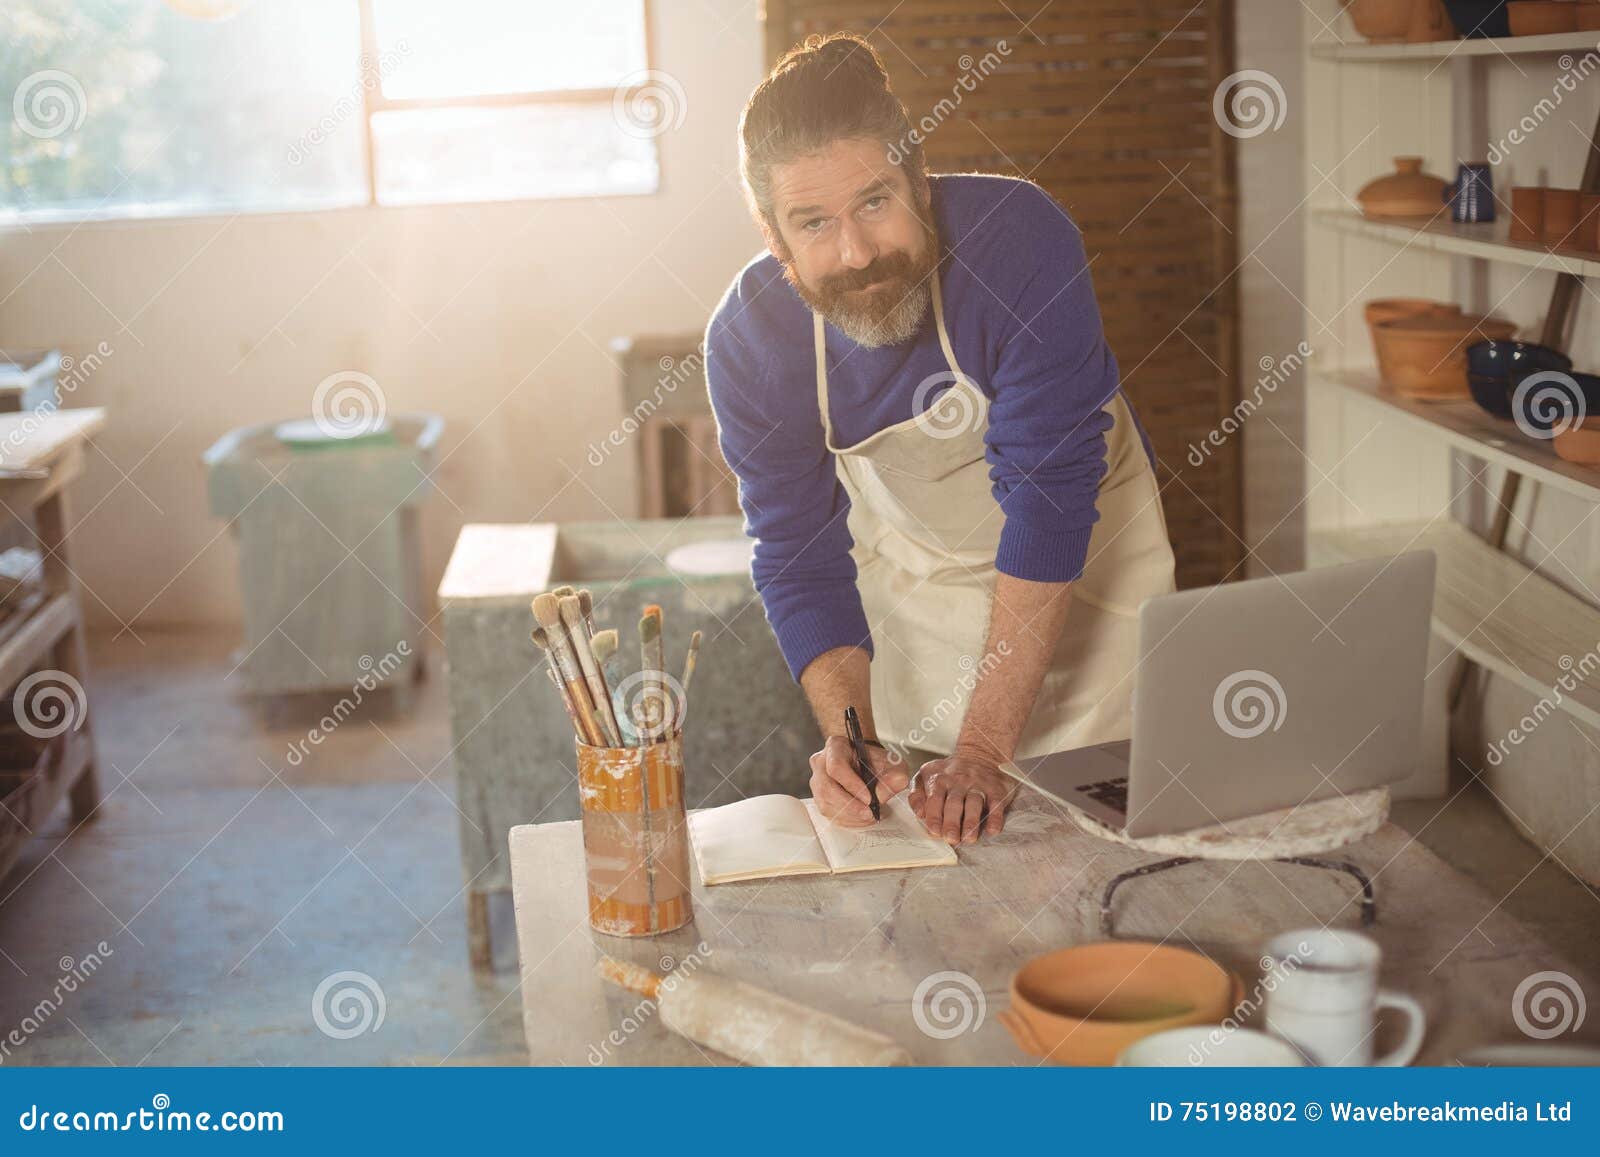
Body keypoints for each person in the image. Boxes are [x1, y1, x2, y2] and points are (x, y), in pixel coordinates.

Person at [704, 34, 1176, 846]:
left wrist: (984, 747)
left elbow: (1048, 499)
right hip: (923, 591)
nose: (857, 254)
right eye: (813, 224)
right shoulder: (748, 342)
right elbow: (797, 552)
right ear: (775, 240)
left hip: (1087, 569)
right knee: (953, 875)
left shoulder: (1020, 240)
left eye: (877, 202)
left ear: (920, 182)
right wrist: (848, 735)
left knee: (1107, 854)